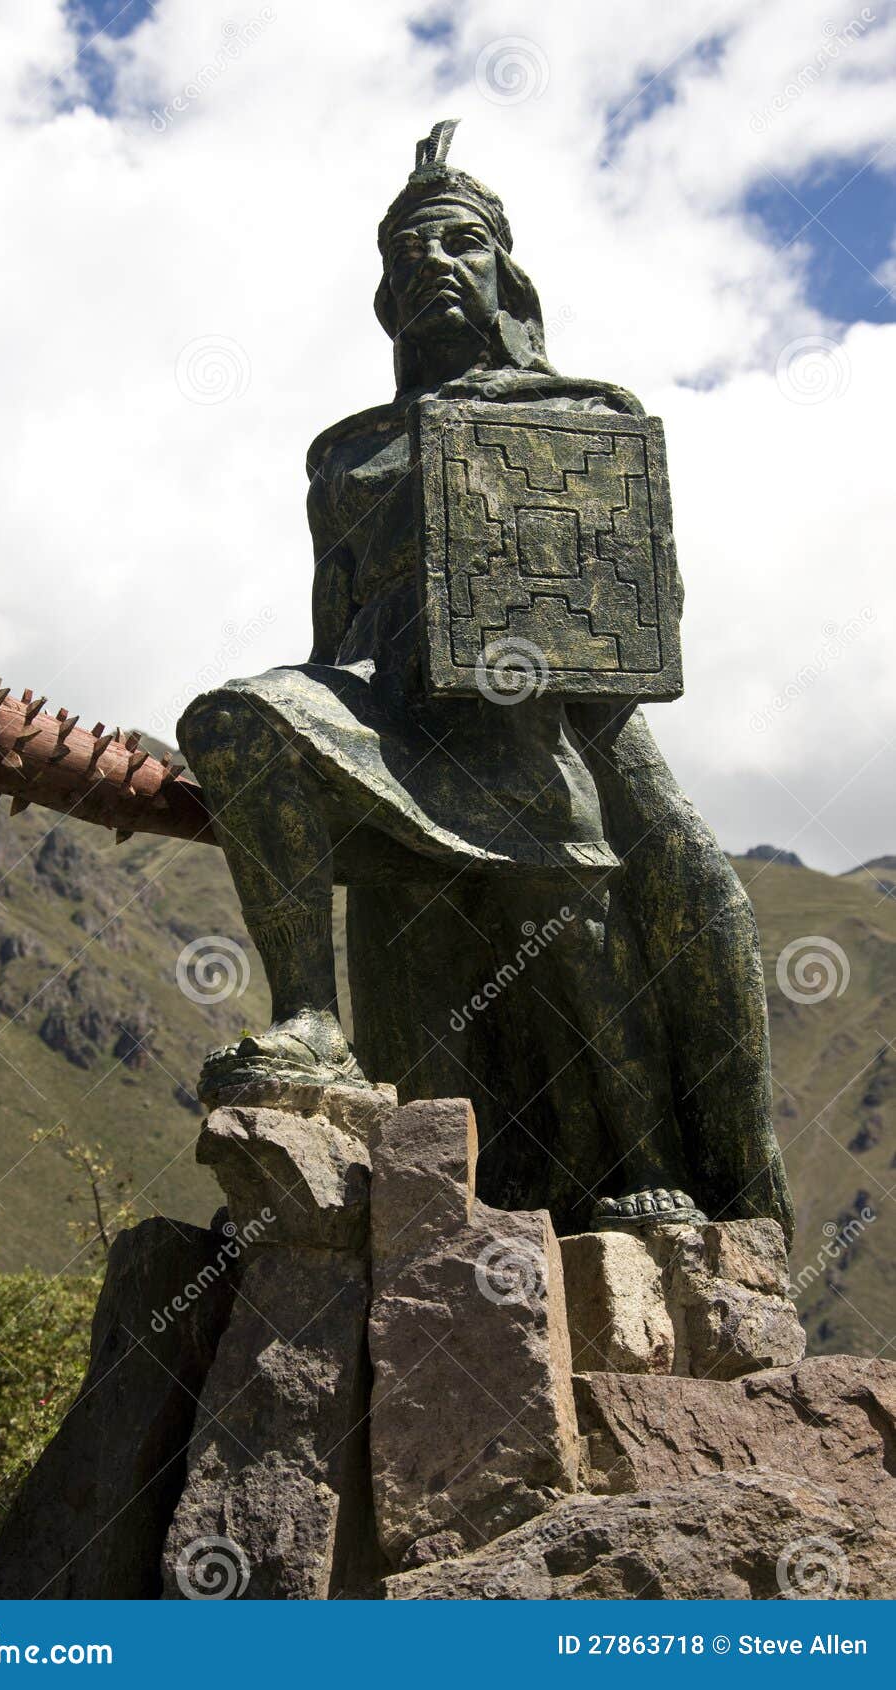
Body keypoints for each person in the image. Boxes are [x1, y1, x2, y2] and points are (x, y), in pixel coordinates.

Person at [180, 121, 793, 1241]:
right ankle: (313, 1019)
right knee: (232, 717)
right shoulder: (346, 453)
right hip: (390, 711)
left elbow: (636, 609)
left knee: (568, 895)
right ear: (386, 300)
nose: (431, 267)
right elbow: (331, 631)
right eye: (406, 256)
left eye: (457, 243)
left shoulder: (581, 419)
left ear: (505, 272)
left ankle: (642, 1153)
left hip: (539, 729)